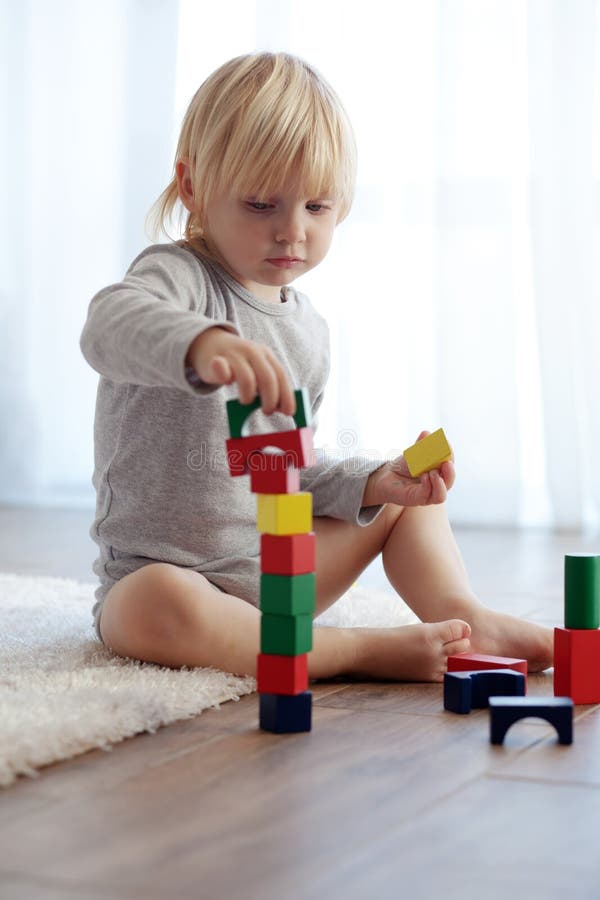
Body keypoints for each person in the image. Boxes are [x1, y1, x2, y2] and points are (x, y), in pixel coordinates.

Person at [80, 52, 553, 682]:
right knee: (147, 604)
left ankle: (464, 618)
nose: (291, 232)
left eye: (317, 207)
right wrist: (200, 343)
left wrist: (376, 483)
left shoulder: (307, 331)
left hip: (274, 574)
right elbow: (107, 326)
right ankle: (355, 651)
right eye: (260, 204)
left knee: (409, 493)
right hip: (172, 581)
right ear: (192, 187)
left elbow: (285, 470)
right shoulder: (177, 278)